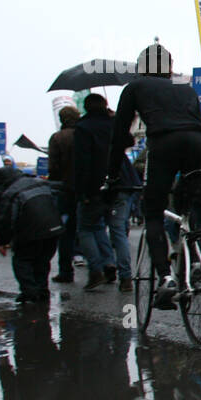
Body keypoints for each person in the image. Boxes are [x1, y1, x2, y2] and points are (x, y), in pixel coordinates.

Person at [107, 42, 201, 309]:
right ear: (170, 67)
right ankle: (197, 260)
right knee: (190, 206)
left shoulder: (135, 88)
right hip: (197, 142)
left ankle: (166, 278)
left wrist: (111, 173)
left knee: (153, 211)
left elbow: (119, 134)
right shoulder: (185, 88)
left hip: (164, 143)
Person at [71, 94, 130, 290]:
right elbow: (128, 140)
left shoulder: (83, 128)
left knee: (88, 228)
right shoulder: (114, 123)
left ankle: (97, 269)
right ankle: (126, 276)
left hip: (96, 185)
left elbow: (82, 162)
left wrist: (83, 192)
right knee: (118, 230)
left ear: (86, 108)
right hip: (121, 181)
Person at [0, 166, 65, 304]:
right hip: (54, 228)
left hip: (30, 231)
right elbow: (62, 188)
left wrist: (2, 242)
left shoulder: (11, 192)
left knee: (22, 261)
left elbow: (6, 219)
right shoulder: (39, 182)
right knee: (42, 261)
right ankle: (42, 291)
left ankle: (30, 292)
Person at [47, 105, 81, 283]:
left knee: (66, 231)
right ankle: (99, 266)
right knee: (89, 228)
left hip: (65, 188)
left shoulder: (58, 138)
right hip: (86, 187)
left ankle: (66, 270)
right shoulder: (85, 134)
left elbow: (53, 167)